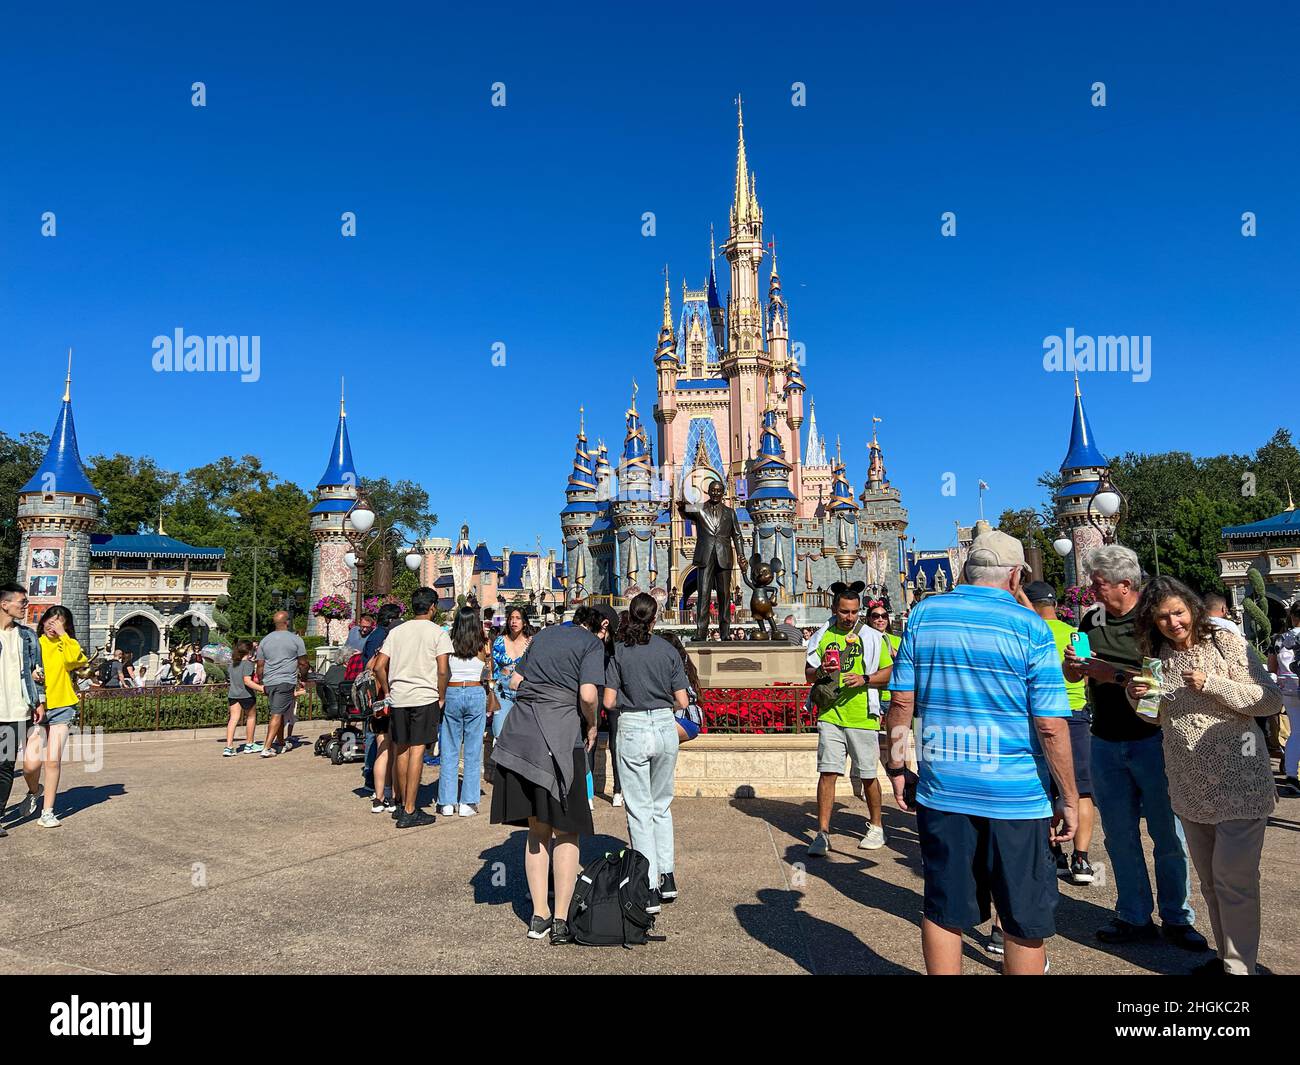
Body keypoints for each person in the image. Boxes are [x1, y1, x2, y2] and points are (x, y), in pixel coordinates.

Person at [883, 531, 1078, 976]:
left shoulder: (924, 615)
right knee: (1022, 918)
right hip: (1017, 795)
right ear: (1014, 576)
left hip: (945, 790)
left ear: (964, 572)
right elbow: (1049, 724)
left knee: (944, 910)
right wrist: (1068, 795)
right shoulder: (1032, 629)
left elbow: (900, 705)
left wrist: (897, 765)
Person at [1128, 577, 1281, 975]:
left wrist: (1213, 684)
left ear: (1192, 608)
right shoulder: (1156, 654)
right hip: (1189, 783)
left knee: (1235, 879)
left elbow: (1270, 700)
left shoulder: (1223, 641)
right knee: (1212, 882)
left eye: (1178, 612)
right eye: (1162, 617)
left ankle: (1240, 968)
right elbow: (1152, 716)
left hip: (1240, 781)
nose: (1172, 623)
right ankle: (1227, 957)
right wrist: (1137, 696)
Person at [1062, 545, 1207, 950]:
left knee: (1167, 835)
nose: (1092, 590)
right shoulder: (1091, 619)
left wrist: (1114, 676)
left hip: (1153, 740)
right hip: (1105, 740)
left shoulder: (1155, 623)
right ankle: (1133, 915)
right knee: (1120, 836)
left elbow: (1165, 687)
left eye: (1099, 584)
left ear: (1125, 585)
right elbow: (1075, 677)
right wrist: (1073, 668)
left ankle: (1177, 918)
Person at [490, 613, 602, 944]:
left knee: (537, 830)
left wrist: (539, 693)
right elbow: (587, 695)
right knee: (566, 832)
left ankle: (538, 916)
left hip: (522, 737)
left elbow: (512, 682)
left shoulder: (541, 638)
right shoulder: (591, 644)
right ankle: (562, 921)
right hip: (561, 740)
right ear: (601, 626)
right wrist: (592, 724)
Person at [603, 594, 690, 913]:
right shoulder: (668, 650)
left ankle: (648, 883)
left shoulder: (619, 651)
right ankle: (666, 876)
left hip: (634, 727)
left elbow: (609, 702)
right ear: (655, 618)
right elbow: (682, 700)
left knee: (638, 808)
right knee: (660, 806)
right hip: (664, 726)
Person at [805, 583, 892, 856]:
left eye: (854, 612)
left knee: (867, 774)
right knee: (827, 772)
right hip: (831, 713)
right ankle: (822, 833)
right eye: (844, 611)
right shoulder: (822, 636)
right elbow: (808, 674)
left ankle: (877, 826)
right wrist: (822, 670)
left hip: (862, 715)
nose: (849, 617)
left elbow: (889, 672)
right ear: (834, 609)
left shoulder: (873, 637)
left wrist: (864, 679)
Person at [1024, 580, 1097, 885]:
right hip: (1076, 714)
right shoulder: (1076, 634)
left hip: (1038, 714)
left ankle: (1053, 852)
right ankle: (1082, 859)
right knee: (1080, 788)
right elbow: (1087, 673)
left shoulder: (1027, 633)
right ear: (1053, 605)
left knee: (1044, 786)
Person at [372, 587, 449, 828]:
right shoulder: (438, 633)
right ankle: (410, 809)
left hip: (399, 698)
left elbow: (378, 666)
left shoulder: (397, 631)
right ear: (433, 607)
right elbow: (443, 669)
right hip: (424, 697)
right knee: (417, 751)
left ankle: (401, 801)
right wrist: (441, 695)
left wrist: (388, 688)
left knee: (401, 750)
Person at [23, 605, 89, 828]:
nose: (53, 626)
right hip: (37, 707)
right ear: (43, 622)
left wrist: (64, 635)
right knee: (30, 765)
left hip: (62, 706)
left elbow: (77, 661)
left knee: (52, 760)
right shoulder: (34, 643)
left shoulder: (66, 644)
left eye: (59, 622)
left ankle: (48, 811)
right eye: (50, 621)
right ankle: (34, 790)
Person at [0, 584, 45, 839]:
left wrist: (38, 702)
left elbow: (37, 673)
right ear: (4, 604)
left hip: (16, 711)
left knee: (5, 766)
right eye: (21, 601)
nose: (25, 605)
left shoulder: (27, 637)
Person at [438, 607, 490, 817]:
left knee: (449, 748)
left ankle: (447, 802)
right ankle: (468, 801)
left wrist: (441, 696)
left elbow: (443, 671)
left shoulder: (449, 643)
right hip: (475, 690)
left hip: (453, 690)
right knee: (472, 749)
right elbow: (488, 671)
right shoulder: (482, 644)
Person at [254, 611, 308, 759]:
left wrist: (262, 681)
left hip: (270, 681)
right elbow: (303, 663)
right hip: (285, 681)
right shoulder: (296, 640)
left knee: (280, 712)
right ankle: (267, 747)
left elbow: (260, 665)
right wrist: (304, 677)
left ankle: (281, 741)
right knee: (277, 714)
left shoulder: (265, 640)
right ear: (287, 622)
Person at [362, 603, 402, 800]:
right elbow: (381, 670)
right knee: (395, 752)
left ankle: (379, 797)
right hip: (391, 702)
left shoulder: (378, 649)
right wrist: (387, 690)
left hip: (377, 704)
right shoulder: (394, 651)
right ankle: (394, 796)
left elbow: (370, 668)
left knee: (382, 751)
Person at [1268, 602, 1300, 794]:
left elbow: (1271, 668)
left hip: (1287, 689)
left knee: (1296, 732)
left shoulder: (1278, 639)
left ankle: (1291, 775)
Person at [491, 606, 532, 740]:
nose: (514, 621)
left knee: (525, 733)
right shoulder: (500, 641)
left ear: (524, 622)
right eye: (511, 618)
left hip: (524, 690)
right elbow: (494, 667)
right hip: (503, 690)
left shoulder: (531, 642)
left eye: (518, 618)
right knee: (499, 731)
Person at [224, 640, 265, 756]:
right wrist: (261, 688)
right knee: (251, 718)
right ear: (249, 651)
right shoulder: (248, 664)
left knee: (233, 719)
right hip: (246, 694)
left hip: (233, 694)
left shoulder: (231, 665)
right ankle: (249, 744)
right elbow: (247, 681)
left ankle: (229, 747)